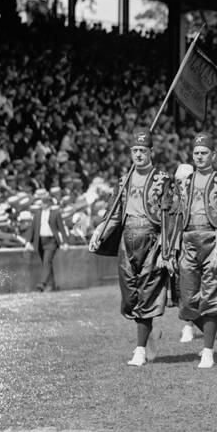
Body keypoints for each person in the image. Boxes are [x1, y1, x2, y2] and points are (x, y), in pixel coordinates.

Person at [88, 129, 175, 367]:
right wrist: (99, 232)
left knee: (146, 295)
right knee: (129, 299)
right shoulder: (124, 179)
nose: (138, 155)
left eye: (142, 151)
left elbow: (170, 217)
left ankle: (139, 349)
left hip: (151, 239)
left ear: (151, 152)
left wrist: (166, 250)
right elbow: (114, 213)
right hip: (127, 241)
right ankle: (150, 331)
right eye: (135, 151)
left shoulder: (164, 180)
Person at [171, 133, 217, 368]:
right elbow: (176, 216)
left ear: (213, 155)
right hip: (188, 240)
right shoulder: (184, 183)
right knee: (187, 301)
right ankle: (209, 335)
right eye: (196, 153)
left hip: (211, 240)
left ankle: (207, 350)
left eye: (204, 153)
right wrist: (172, 248)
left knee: (210, 298)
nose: (200, 157)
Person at [28, 188, 71, 292]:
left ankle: (42, 284)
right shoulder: (37, 214)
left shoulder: (55, 213)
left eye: (46, 202)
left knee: (47, 261)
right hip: (40, 241)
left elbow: (61, 228)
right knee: (46, 263)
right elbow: (33, 228)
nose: (44, 204)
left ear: (49, 203)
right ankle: (52, 286)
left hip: (51, 241)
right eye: (43, 202)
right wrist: (28, 241)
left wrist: (65, 242)